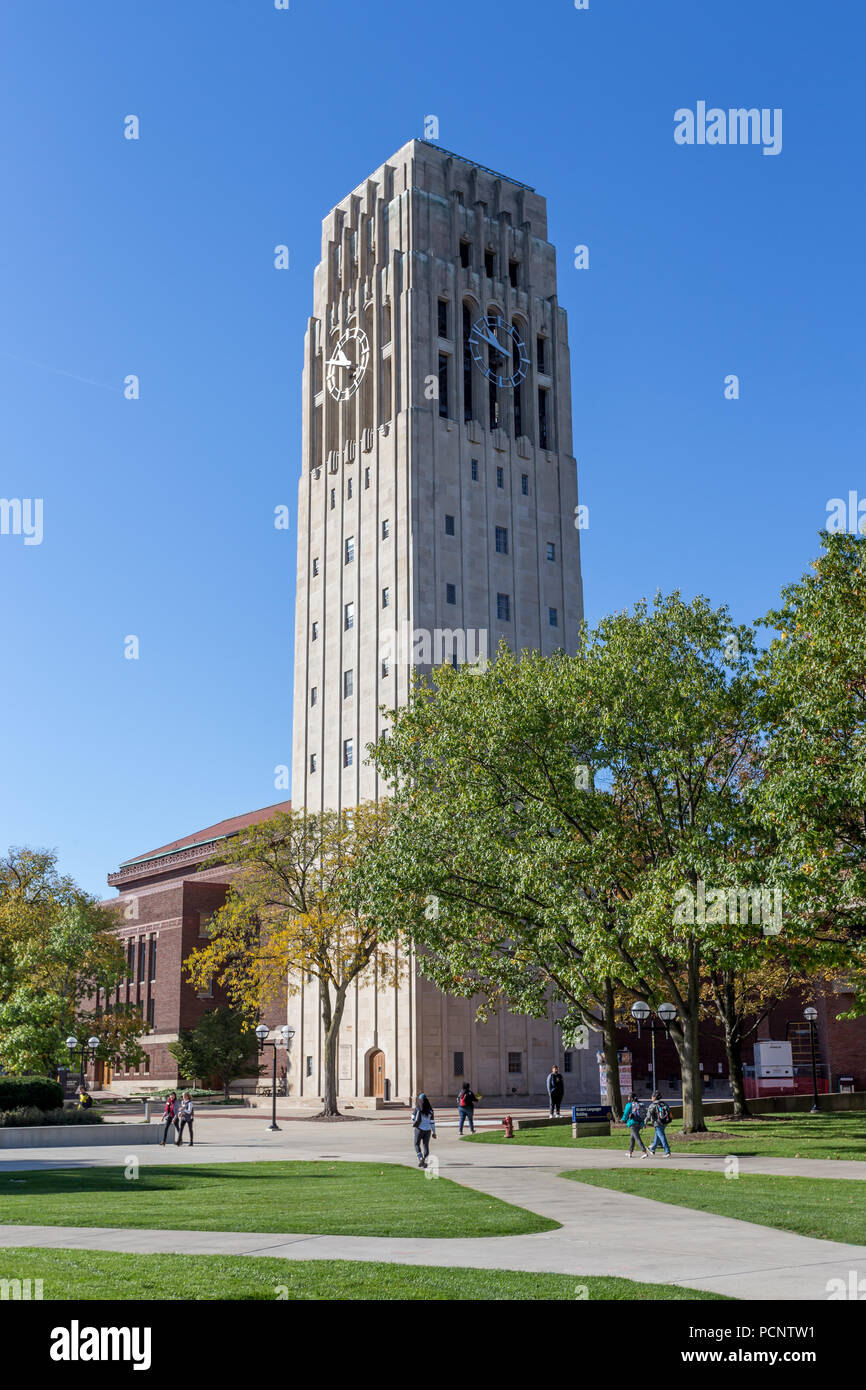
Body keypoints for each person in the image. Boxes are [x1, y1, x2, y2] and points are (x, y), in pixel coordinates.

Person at [411, 1092, 436, 1167]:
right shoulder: (430, 1111)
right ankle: (424, 1159)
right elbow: (432, 1122)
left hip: (419, 1129)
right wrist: (434, 1132)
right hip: (428, 1130)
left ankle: (420, 1158)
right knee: (426, 1145)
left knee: (416, 1144)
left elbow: (413, 1118)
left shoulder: (418, 1108)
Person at [621, 1093, 649, 1157]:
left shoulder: (629, 1105)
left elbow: (625, 1113)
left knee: (637, 1138)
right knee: (632, 1138)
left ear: (630, 1098)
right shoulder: (640, 1104)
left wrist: (622, 1120)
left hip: (633, 1123)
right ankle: (630, 1153)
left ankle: (644, 1152)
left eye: (628, 1097)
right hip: (639, 1123)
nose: (628, 1098)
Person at [646, 1091, 672, 1156]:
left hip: (657, 1123)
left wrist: (645, 1122)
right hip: (665, 1122)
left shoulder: (653, 1105)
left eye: (652, 1096)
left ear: (655, 1097)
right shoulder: (664, 1104)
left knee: (662, 1136)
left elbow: (648, 1116)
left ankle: (667, 1151)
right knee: (657, 1136)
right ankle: (652, 1149)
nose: (651, 1097)